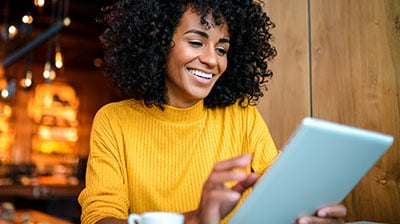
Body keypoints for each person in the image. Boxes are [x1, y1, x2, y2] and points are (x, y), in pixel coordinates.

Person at [78, 0, 347, 224]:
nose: (212, 60)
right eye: (196, 42)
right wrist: (194, 219)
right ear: (158, 41)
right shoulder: (114, 121)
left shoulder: (241, 115)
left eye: (222, 49)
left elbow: (281, 189)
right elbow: (101, 216)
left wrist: (312, 212)